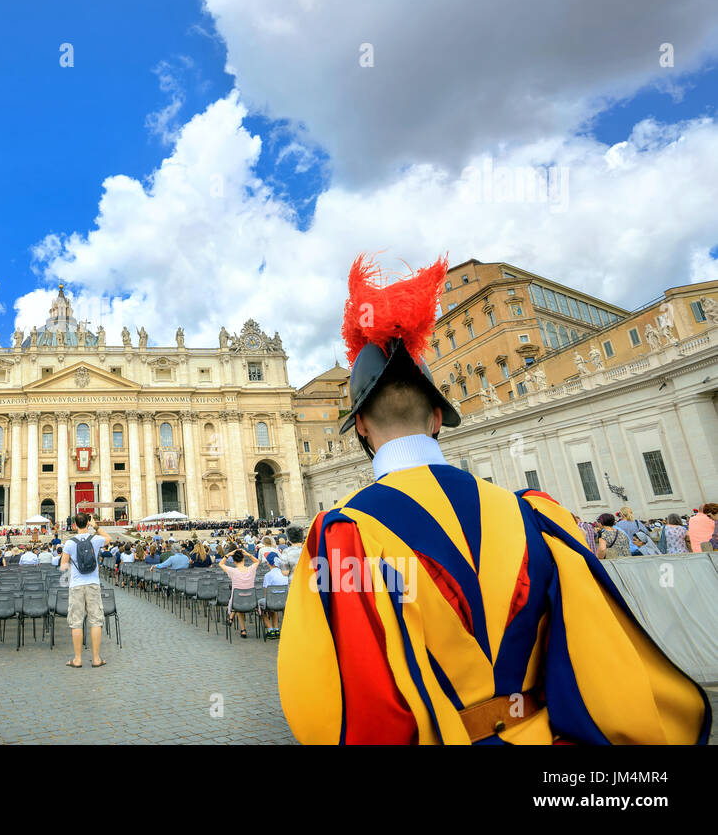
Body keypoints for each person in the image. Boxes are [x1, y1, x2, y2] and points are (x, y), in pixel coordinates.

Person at [278, 254, 710, 744]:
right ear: (439, 417)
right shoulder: (535, 514)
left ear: (359, 426)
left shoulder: (343, 537)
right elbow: (602, 667)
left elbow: (327, 704)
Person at [60, 513, 110, 668]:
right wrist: (95, 527)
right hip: (93, 583)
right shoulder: (95, 539)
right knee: (95, 621)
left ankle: (78, 659)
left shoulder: (69, 543)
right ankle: (96, 658)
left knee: (76, 622)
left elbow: (63, 565)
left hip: (76, 585)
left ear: (74, 525)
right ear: (87, 523)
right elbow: (108, 539)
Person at [219, 548, 259, 638]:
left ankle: (240, 627)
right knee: (241, 600)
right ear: (243, 559)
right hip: (251, 601)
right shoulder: (251, 569)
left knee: (239, 602)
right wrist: (248, 554)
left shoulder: (232, 571)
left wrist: (228, 554)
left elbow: (220, 563)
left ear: (234, 561)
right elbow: (257, 561)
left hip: (237, 601)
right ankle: (239, 627)